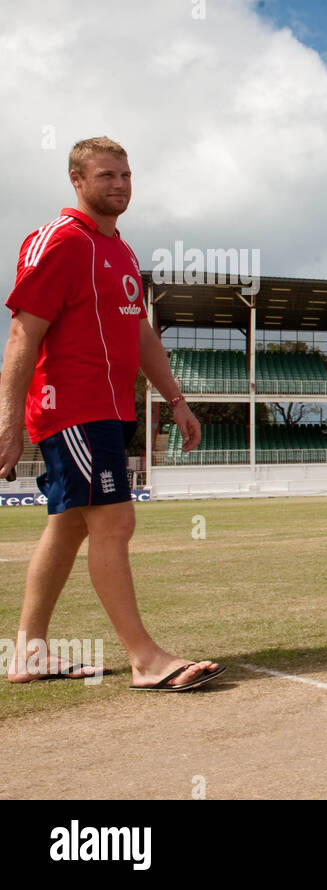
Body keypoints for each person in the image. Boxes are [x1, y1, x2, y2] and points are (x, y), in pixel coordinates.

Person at [0, 137, 223, 691]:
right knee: (116, 522)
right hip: (72, 408)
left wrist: (176, 398)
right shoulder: (58, 242)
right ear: (77, 180)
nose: (120, 185)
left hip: (111, 408)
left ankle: (28, 654)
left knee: (69, 527)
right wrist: (8, 423)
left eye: (126, 175)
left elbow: (140, 332)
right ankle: (146, 659)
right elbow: (23, 333)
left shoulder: (120, 251)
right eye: (106, 176)